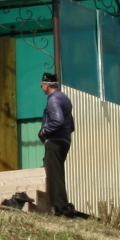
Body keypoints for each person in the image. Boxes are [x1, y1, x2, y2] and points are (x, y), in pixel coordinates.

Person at [39, 72, 77, 217]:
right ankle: (61, 206)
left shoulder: (53, 100)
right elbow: (71, 125)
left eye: (42, 85)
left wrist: (44, 131)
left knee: (54, 176)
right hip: (64, 140)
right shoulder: (64, 98)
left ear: (46, 85)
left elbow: (57, 121)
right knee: (58, 174)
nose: (42, 88)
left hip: (54, 141)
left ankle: (61, 209)